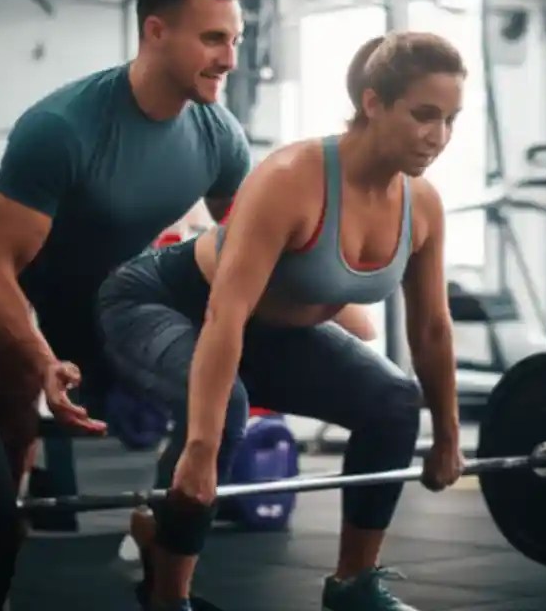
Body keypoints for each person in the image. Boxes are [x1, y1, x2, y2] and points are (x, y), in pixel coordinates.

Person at [96, 30, 469, 611]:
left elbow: (431, 328)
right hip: (159, 303)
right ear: (373, 103)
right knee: (224, 412)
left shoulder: (422, 205)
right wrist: (201, 448)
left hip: (268, 332)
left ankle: (353, 586)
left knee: (394, 401)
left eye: (450, 120)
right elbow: (225, 313)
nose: (439, 137)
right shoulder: (292, 179)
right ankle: (169, 596)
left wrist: (447, 435)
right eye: (424, 116)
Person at [0, 0, 257, 492]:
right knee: (16, 377)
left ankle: (161, 525)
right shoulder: (60, 128)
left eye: (235, 40)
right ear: (155, 32)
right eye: (212, 39)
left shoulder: (220, 136)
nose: (229, 59)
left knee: (206, 388)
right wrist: (43, 360)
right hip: (8, 291)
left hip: (106, 298)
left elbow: (248, 249)